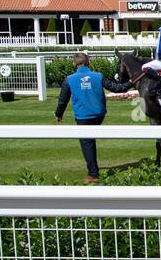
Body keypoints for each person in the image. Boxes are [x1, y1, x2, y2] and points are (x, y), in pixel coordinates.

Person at [54, 53, 131, 182]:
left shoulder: (69, 79)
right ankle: (93, 169)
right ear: (88, 62)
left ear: (74, 64)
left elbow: (62, 101)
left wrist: (58, 114)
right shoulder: (98, 76)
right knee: (89, 140)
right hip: (99, 114)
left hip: (83, 117)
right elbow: (118, 88)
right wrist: (132, 81)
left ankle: (93, 174)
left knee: (87, 143)